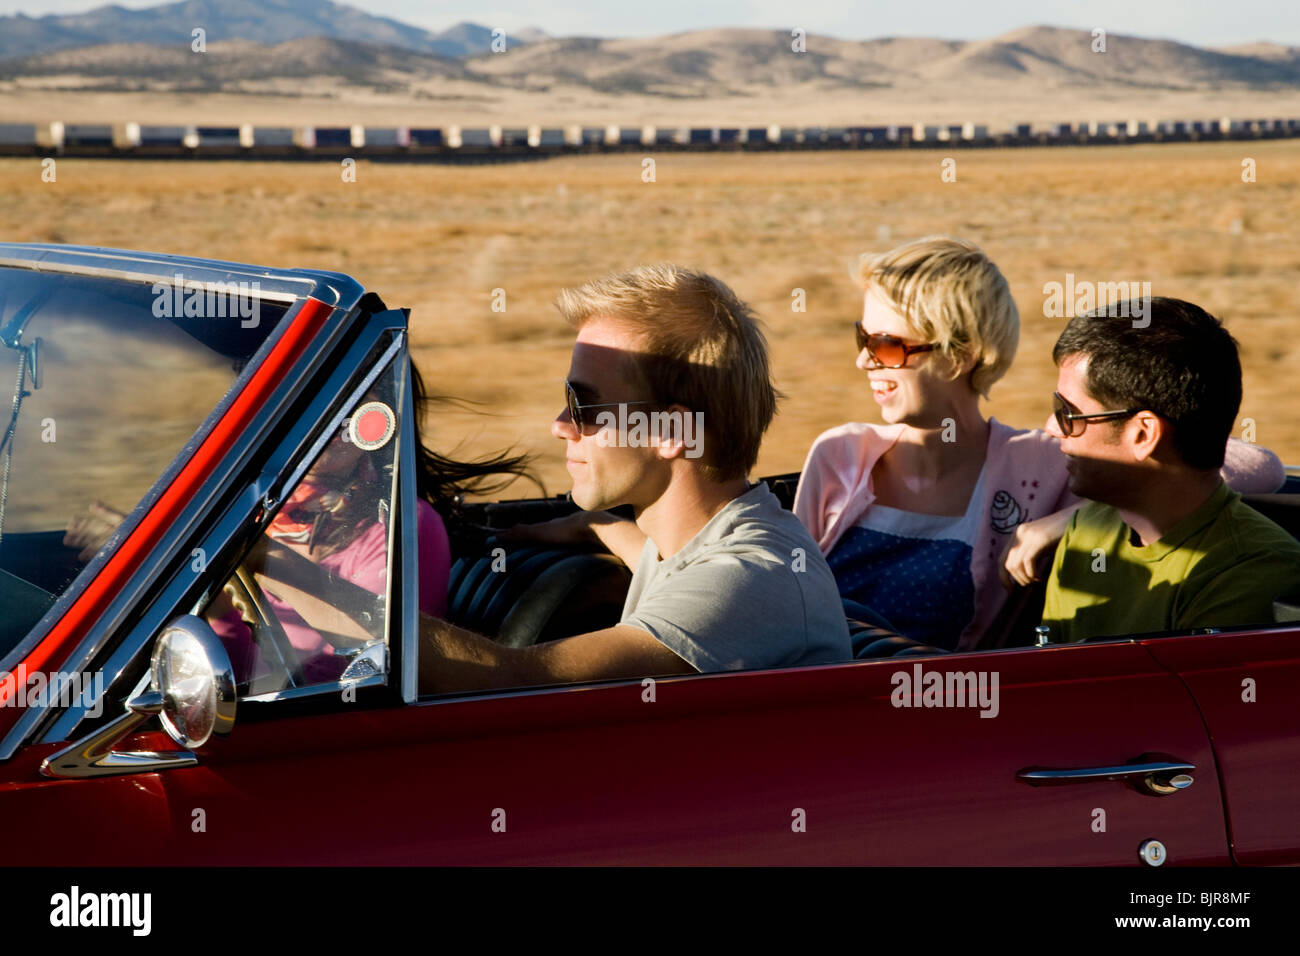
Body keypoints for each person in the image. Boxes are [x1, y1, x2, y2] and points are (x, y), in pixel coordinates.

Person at [793, 237, 1285, 652]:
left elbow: (1248, 464)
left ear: (958, 354)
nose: (864, 362)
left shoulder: (1040, 463)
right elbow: (793, 601)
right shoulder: (839, 455)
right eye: (862, 338)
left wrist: (1069, 519)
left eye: (885, 345)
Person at [418, 264, 852, 694]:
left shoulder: (749, 578)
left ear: (670, 433)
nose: (560, 424)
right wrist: (596, 525)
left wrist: (363, 612)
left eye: (583, 405)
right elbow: (652, 552)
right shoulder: (694, 538)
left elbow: (514, 681)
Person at [65, 359, 537, 686]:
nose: (324, 425)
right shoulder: (240, 502)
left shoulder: (403, 525)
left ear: (381, 422)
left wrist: (237, 555)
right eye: (307, 405)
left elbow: (374, 666)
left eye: (352, 407)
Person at [1040, 297, 1300, 642]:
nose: (1051, 427)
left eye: (1068, 413)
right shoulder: (1088, 529)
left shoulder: (1253, 572)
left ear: (1143, 434)